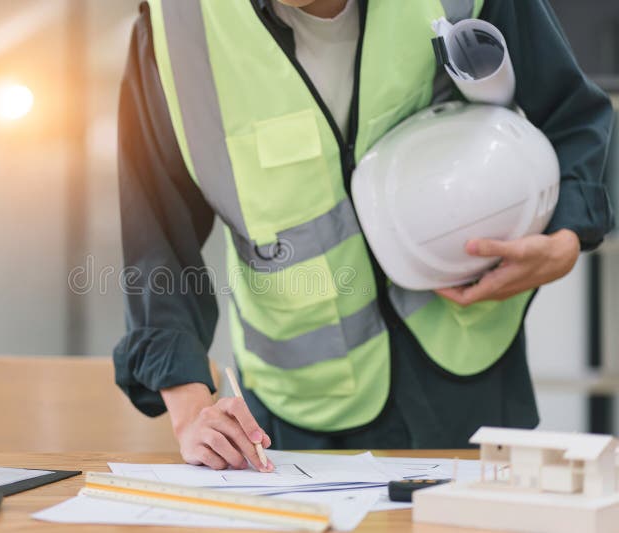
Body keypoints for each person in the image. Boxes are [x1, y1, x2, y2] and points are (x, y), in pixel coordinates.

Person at [113, 0, 614, 472]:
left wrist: (567, 237)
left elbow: (573, 116)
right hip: (298, 409)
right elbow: (156, 239)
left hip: (469, 373)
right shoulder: (178, 23)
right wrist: (190, 408)